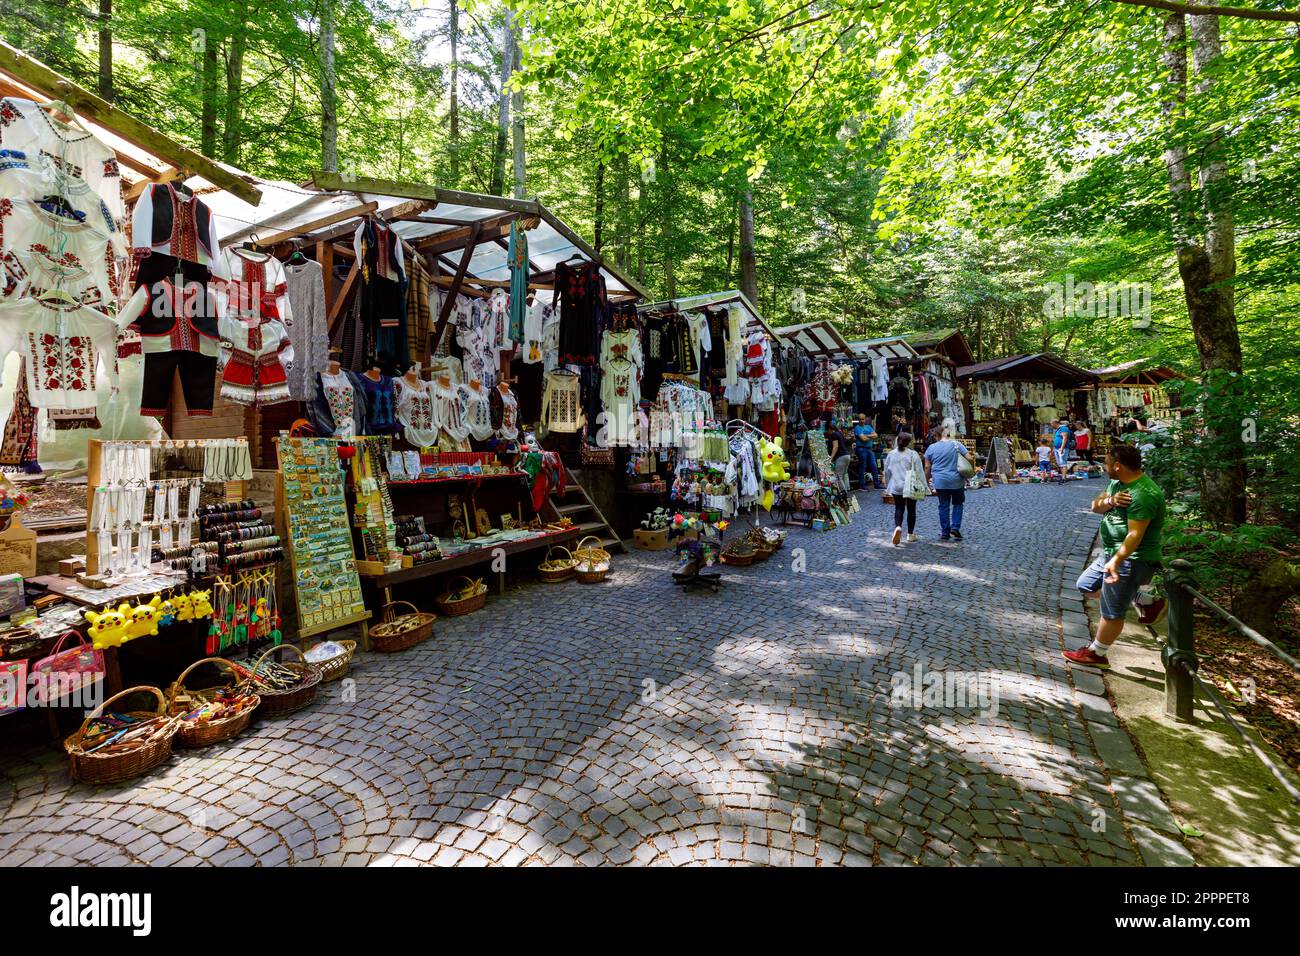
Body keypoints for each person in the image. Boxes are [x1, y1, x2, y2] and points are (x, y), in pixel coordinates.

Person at [1065, 443, 1167, 668]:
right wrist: (1110, 501)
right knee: (1086, 585)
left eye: (1107, 462)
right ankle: (1146, 601)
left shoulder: (1143, 494)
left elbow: (1134, 535)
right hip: (1111, 554)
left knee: (1112, 611)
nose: (1104, 466)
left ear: (1118, 466)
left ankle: (1097, 653)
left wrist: (1116, 561)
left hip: (1130, 560)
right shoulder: (1116, 483)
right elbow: (1095, 506)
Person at [923, 428, 972, 541]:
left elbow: (927, 467)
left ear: (936, 435)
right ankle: (955, 527)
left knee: (943, 505)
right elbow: (969, 458)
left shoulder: (931, 448)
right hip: (956, 480)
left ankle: (945, 532)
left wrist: (926, 482)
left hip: (940, 481)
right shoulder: (956, 445)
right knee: (958, 503)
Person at [884, 431, 926, 546]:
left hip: (896, 486)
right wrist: (925, 486)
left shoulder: (891, 454)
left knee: (899, 507)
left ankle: (898, 527)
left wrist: (887, 486)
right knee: (911, 509)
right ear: (908, 443)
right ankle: (910, 534)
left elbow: (886, 472)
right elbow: (919, 472)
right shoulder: (913, 454)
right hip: (910, 486)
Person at [852, 413, 883, 490]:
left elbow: (876, 435)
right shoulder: (857, 428)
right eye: (860, 419)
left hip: (869, 449)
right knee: (863, 467)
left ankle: (876, 485)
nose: (862, 421)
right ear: (858, 420)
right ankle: (862, 486)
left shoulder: (868, 426)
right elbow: (863, 439)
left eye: (863, 419)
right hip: (861, 449)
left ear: (865, 419)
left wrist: (867, 435)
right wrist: (870, 436)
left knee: (874, 466)